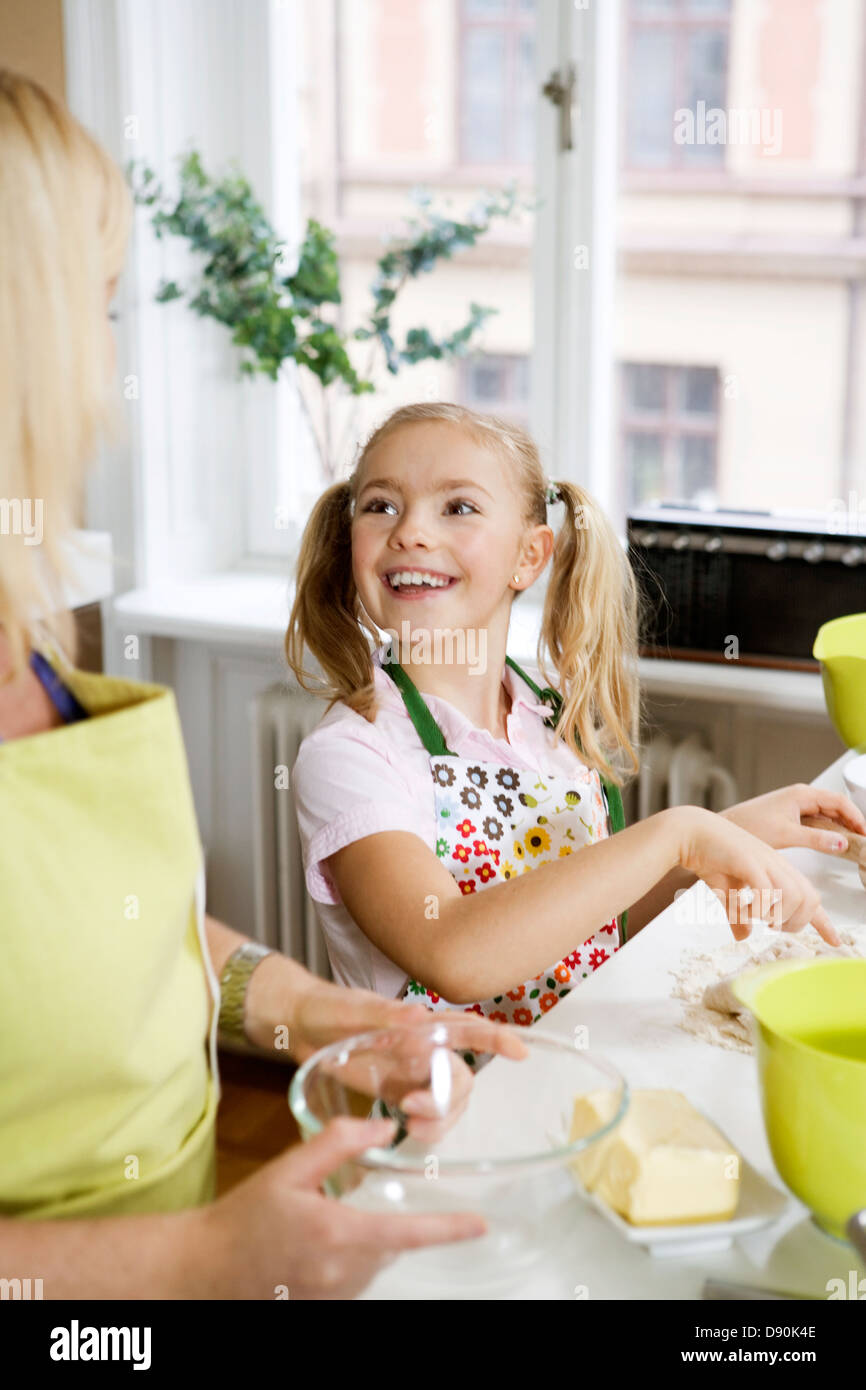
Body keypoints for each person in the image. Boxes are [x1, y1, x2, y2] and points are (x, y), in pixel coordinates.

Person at [0, 70, 498, 1301]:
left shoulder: (30, 647)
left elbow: (137, 935)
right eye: (102, 311)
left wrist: (344, 1022)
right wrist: (195, 1260)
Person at [288, 400, 866, 1026]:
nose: (410, 532)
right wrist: (680, 831)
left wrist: (735, 830)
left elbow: (597, 927)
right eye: (382, 506)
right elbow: (452, 954)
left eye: (457, 507)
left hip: (569, 1068)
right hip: (451, 1109)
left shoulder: (549, 712)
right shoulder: (350, 754)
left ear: (530, 557)